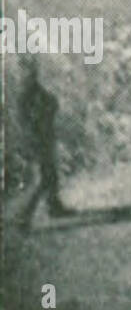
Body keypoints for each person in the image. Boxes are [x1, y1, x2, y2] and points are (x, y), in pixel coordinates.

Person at [17, 61, 71, 228]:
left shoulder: (34, 90)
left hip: (43, 136)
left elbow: (51, 104)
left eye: (33, 71)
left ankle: (54, 206)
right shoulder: (26, 94)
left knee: (51, 173)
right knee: (45, 176)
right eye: (29, 71)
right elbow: (28, 118)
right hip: (37, 139)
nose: (32, 74)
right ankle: (24, 214)